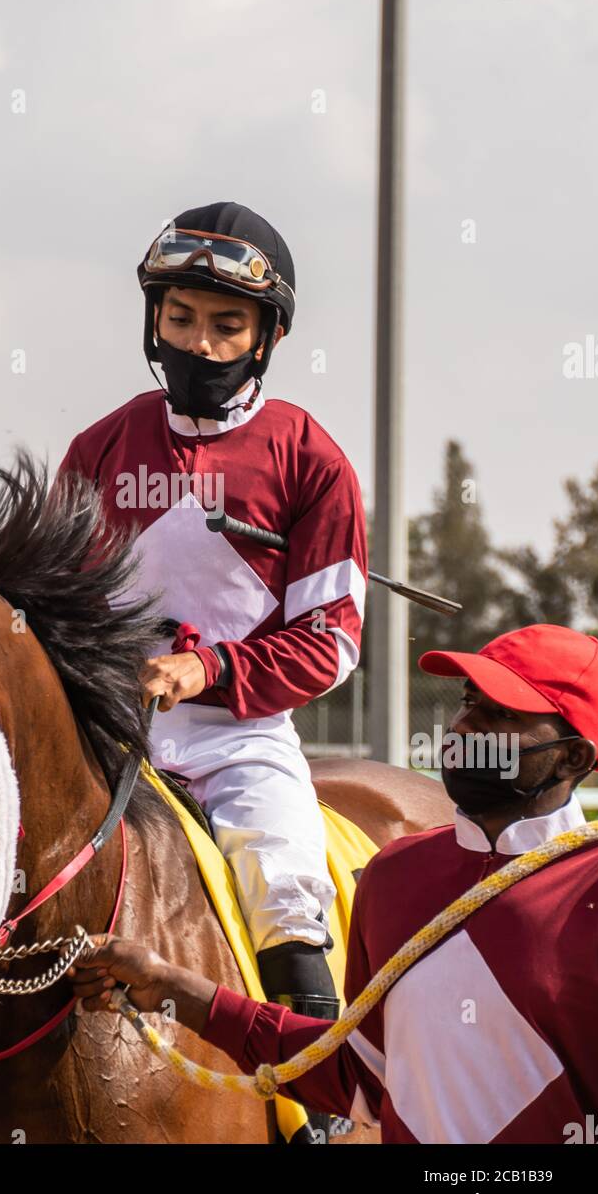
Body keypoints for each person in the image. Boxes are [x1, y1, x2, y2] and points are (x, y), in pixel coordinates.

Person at [55, 201, 368, 1140]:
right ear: (153, 319)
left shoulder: (312, 460)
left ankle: (326, 1112)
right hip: (106, 736)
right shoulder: (98, 450)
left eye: (228, 324)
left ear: (267, 336)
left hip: (239, 741)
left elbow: (333, 640)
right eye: (181, 317)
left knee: (284, 882)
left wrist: (207, 671)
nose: (201, 341)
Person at [69, 624, 598, 1144]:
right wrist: (170, 987)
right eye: (469, 702)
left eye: (501, 715)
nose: (465, 727)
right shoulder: (396, 873)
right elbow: (358, 1077)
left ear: (574, 756)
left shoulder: (592, 887)